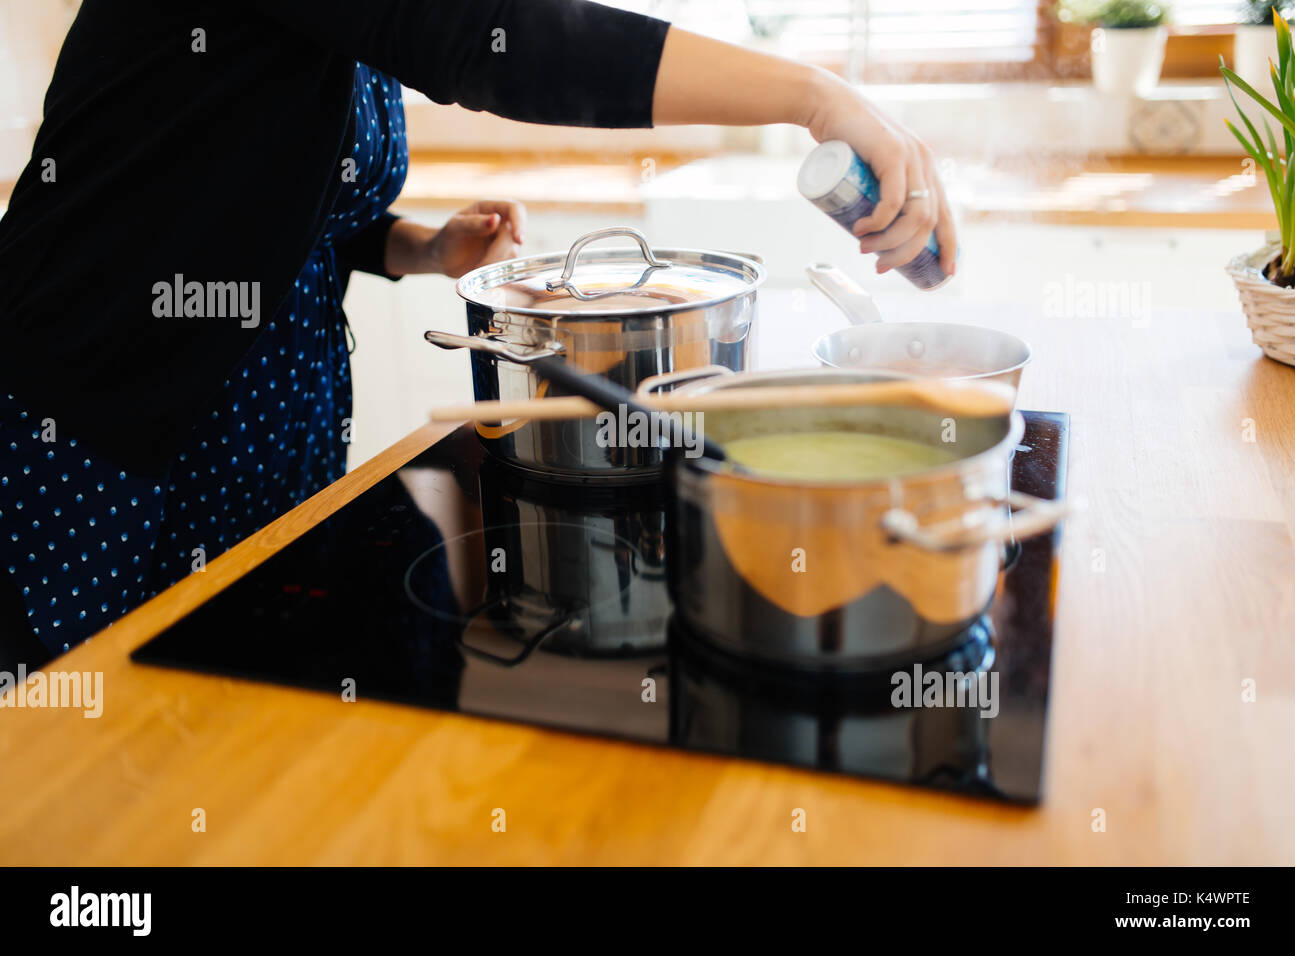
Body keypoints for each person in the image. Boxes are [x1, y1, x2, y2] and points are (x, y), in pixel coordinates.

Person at [0, 0, 956, 662]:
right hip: (96, 438)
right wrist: (814, 97)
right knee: (81, 773)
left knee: (221, 759)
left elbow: (252, 194)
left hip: (257, 443)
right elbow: (491, 39)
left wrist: (422, 246)